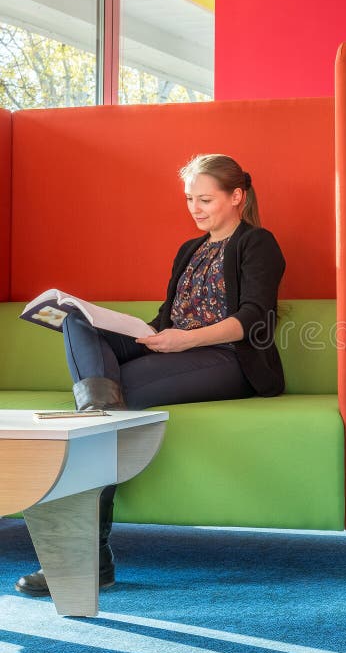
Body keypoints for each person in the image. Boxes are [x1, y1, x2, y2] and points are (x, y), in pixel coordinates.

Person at [15, 154, 285, 597]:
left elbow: (254, 319)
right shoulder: (190, 250)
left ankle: (84, 556)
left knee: (103, 413)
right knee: (77, 321)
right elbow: (167, 317)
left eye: (205, 199)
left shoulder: (258, 243)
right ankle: (99, 414)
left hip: (228, 359)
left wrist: (184, 340)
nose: (195, 209)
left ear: (237, 197)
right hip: (173, 346)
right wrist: (148, 334)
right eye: (188, 200)